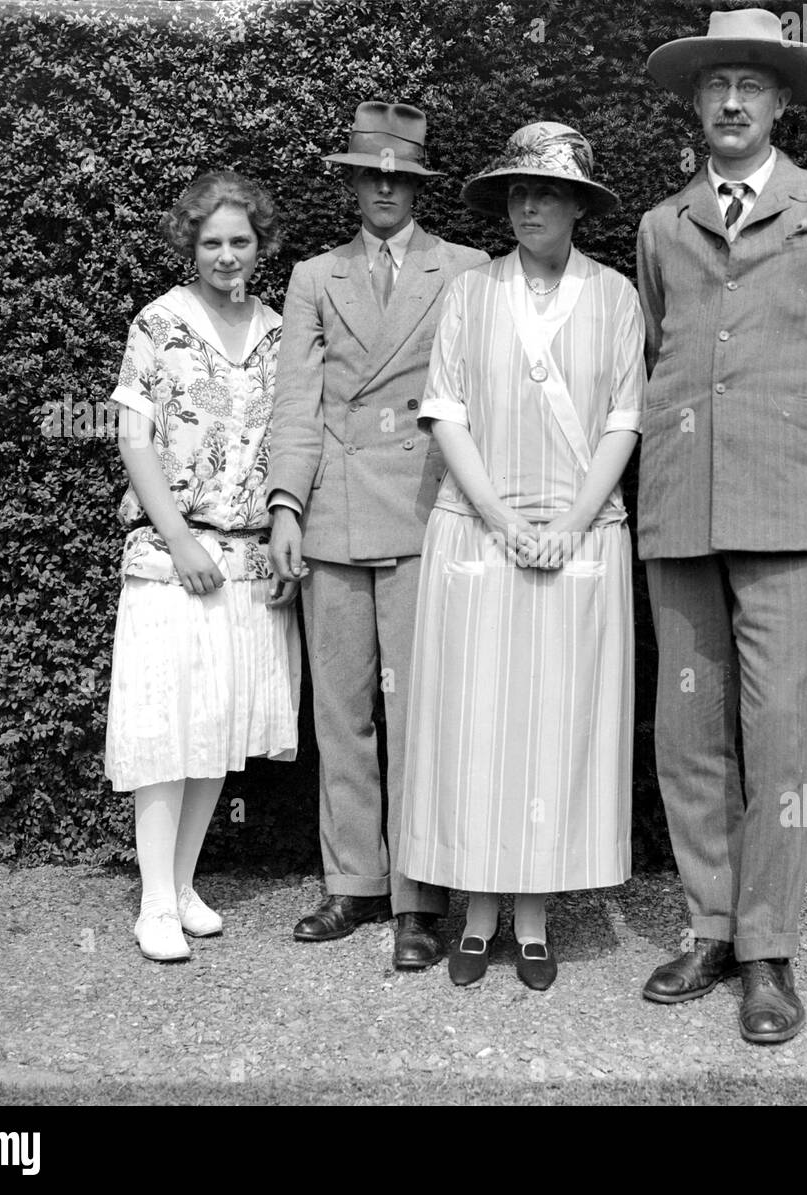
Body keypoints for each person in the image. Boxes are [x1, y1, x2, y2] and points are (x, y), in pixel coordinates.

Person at [636, 7, 807, 1041]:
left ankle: (767, 948)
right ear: (694, 103)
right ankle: (707, 922)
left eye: (751, 85)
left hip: (791, 509)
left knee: (782, 735)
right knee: (689, 732)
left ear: (782, 101)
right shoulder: (661, 225)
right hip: (682, 504)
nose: (732, 102)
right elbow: (661, 339)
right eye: (714, 86)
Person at [399, 122, 644, 990]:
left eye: (546, 190)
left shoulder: (615, 296)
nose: (529, 203)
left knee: (552, 724)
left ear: (578, 204)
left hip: (581, 537)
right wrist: (502, 519)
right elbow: (447, 411)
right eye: (516, 190)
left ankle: (534, 918)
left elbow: (624, 419)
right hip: (477, 531)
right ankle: (472, 911)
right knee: (476, 723)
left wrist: (572, 522)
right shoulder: (471, 292)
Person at [268, 102, 489, 971]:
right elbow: (296, 403)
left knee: (419, 714)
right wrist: (285, 505)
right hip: (333, 514)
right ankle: (352, 882)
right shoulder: (314, 277)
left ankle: (418, 898)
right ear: (353, 183)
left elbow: (480, 398)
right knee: (341, 711)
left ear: (418, 185)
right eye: (371, 174)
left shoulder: (466, 269)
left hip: (428, 514)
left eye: (400, 175)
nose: (385, 188)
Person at [104, 170, 301, 962]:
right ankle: (153, 903)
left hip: (249, 559)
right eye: (212, 241)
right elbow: (132, 437)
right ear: (191, 243)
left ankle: (183, 885)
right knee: (166, 730)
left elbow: (291, 439)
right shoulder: (158, 322)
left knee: (215, 730)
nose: (226, 255)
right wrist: (179, 538)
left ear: (261, 246)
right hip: (172, 556)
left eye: (240, 241)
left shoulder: (281, 330)